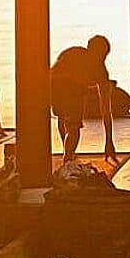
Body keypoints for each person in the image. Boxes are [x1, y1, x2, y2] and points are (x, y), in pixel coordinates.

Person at [51, 35, 118, 164]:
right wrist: (109, 142)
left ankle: (68, 154)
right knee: (72, 126)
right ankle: (68, 157)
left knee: (65, 120)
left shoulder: (73, 53)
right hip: (61, 86)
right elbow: (106, 111)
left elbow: (106, 110)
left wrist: (109, 141)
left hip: (55, 86)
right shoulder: (98, 70)